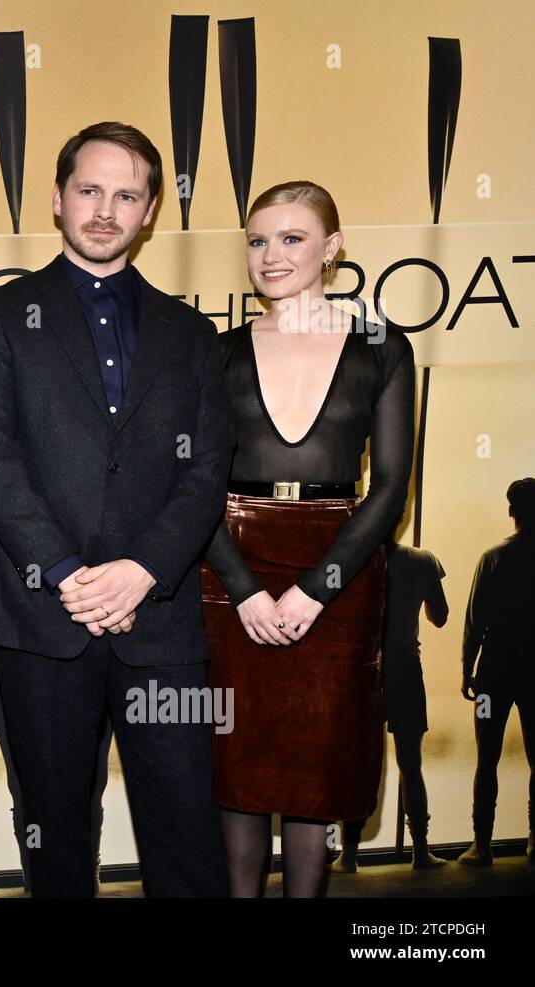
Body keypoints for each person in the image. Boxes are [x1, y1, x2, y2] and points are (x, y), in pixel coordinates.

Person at [0, 121, 235, 897]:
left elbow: (207, 471)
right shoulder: (3, 314)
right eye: (89, 190)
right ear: (57, 197)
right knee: (56, 831)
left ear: (150, 212)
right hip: (44, 621)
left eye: (126, 195)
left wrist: (143, 569)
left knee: (187, 829)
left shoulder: (190, 331)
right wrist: (71, 574)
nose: (106, 210)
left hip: (164, 619)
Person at [202, 180, 415, 897]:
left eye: (292, 238)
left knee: (317, 761)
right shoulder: (216, 350)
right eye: (258, 240)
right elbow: (193, 485)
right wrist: (243, 590)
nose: (271, 255)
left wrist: (317, 590)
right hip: (231, 556)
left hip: (341, 564)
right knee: (238, 758)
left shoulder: (383, 346)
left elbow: (388, 487)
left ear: (331, 247)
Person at [338, 534, 449, 871]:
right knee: (410, 764)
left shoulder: (354, 559)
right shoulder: (423, 560)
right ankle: (419, 851)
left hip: (364, 669)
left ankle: (349, 855)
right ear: (401, 516)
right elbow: (440, 616)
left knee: (358, 761)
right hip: (405, 668)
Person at [459, 477, 535, 866]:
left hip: (494, 670)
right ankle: (534, 842)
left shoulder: (493, 558)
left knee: (487, 757)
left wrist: (465, 669)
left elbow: (475, 622)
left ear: (511, 511)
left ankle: (481, 844)